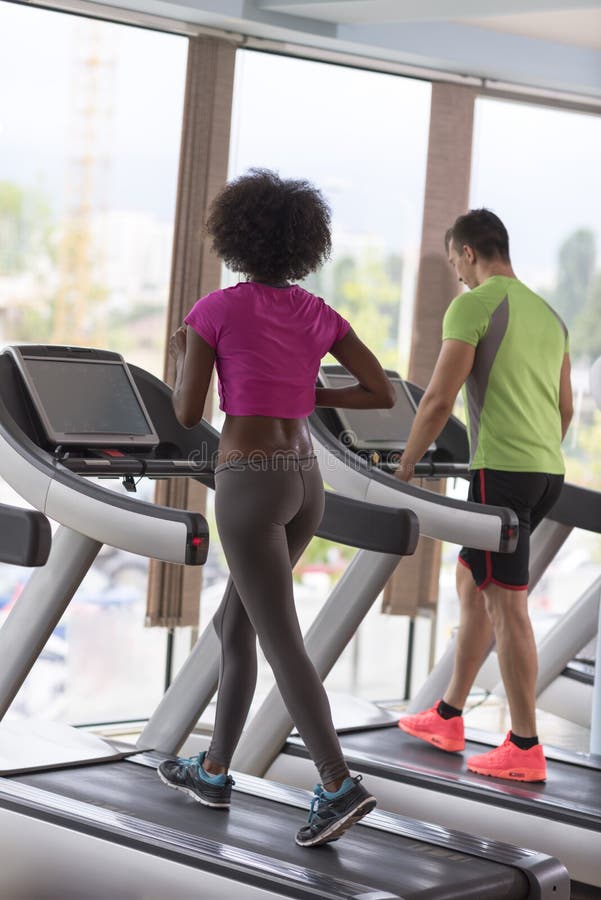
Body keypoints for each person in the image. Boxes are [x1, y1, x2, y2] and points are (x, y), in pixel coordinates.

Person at [157, 168, 395, 845]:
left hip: (250, 481)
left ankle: (336, 782)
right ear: (301, 244)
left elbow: (186, 412)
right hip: (303, 481)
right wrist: (306, 392)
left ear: (235, 238)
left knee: (280, 639)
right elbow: (377, 391)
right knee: (237, 629)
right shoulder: (316, 312)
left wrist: (182, 355)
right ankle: (212, 769)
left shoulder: (214, 311)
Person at [396, 208, 573, 782]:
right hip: (546, 471)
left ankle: (524, 745)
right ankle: (447, 714)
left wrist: (404, 468)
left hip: (501, 472)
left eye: (455, 264)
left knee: (507, 604)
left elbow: (439, 400)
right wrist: (536, 453)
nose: (458, 276)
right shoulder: (550, 316)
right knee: (473, 583)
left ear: (469, 252)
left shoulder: (474, 304)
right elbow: (565, 408)